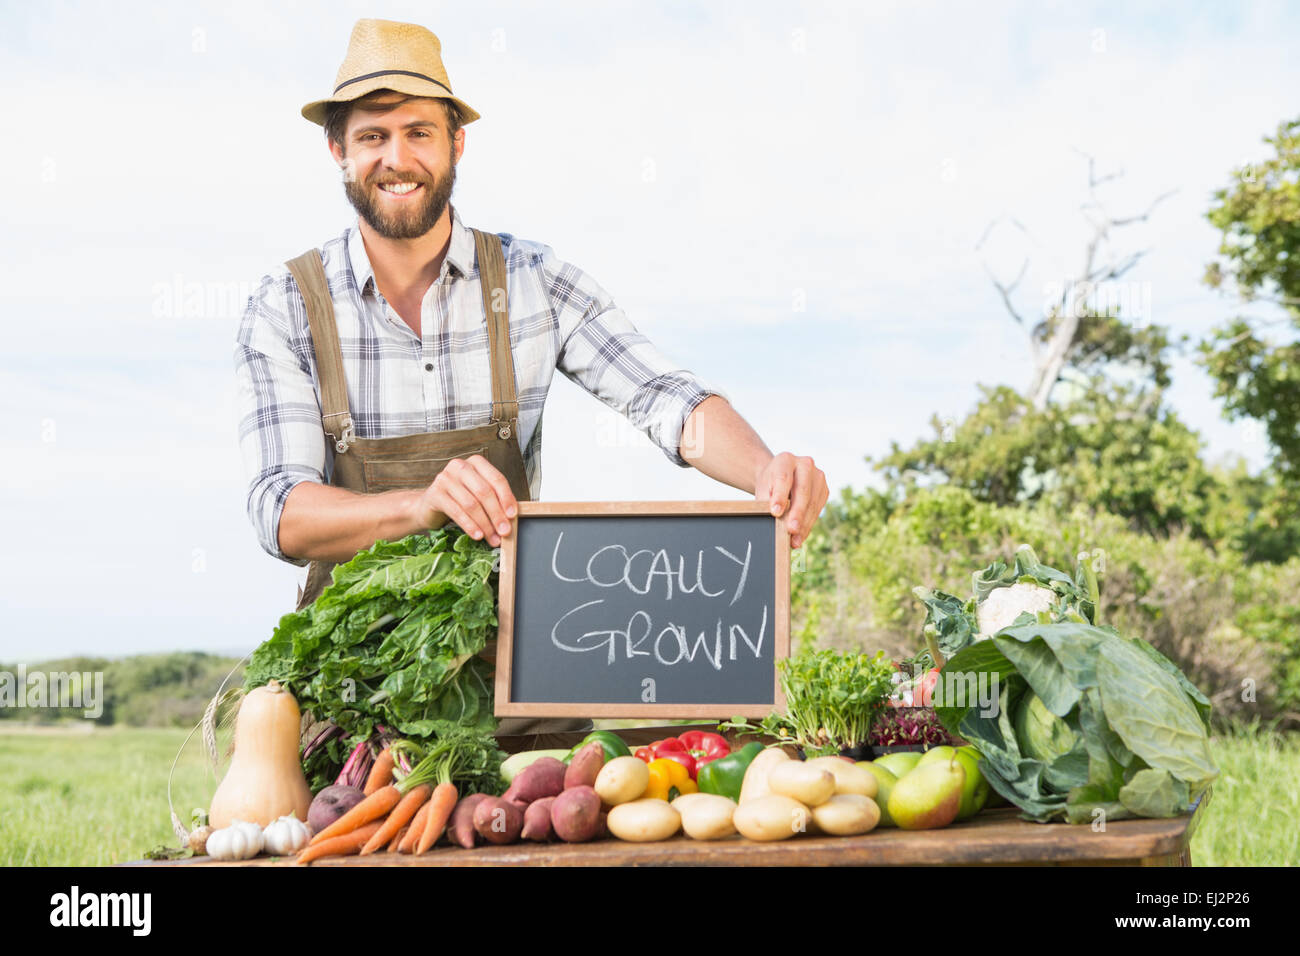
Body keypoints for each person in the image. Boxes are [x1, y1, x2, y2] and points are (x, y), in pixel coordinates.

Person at [234, 19, 829, 738]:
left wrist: (768, 471)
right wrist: (420, 505)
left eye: (420, 132)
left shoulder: (532, 281)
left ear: (457, 142)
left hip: (521, 671)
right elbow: (281, 511)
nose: (397, 158)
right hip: (357, 688)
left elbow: (661, 397)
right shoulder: (288, 304)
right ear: (338, 149)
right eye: (373, 136)